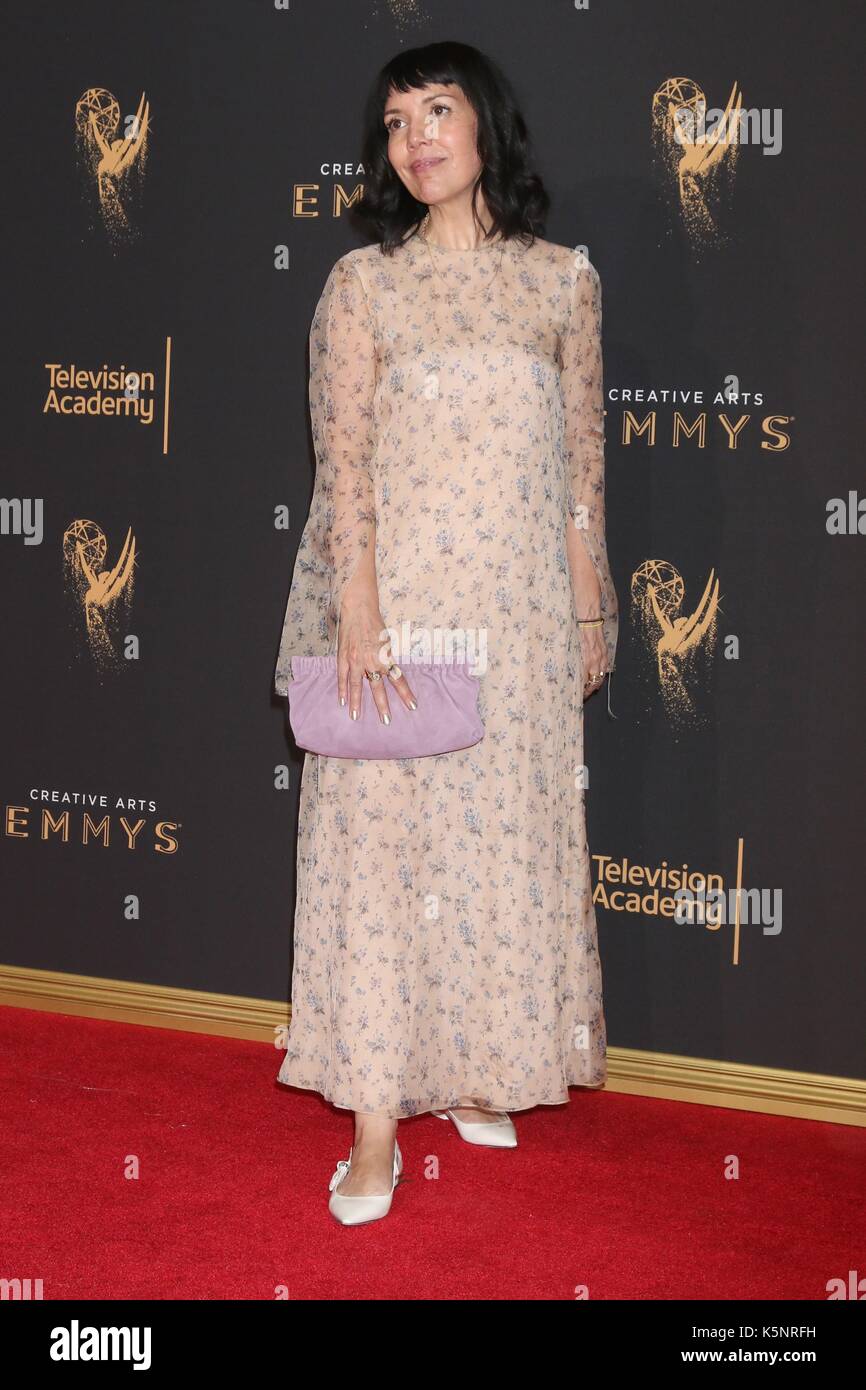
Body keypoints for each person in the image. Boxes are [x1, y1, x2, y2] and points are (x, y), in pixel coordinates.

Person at [274, 40, 618, 1226]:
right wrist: (355, 609)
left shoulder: (561, 282)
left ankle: (480, 1061)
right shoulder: (361, 289)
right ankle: (373, 1127)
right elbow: (346, 469)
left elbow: (581, 463)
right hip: (403, 611)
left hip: (516, 621)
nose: (415, 137)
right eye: (394, 122)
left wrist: (589, 600)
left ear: (485, 127)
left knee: (498, 851)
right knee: (381, 860)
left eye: (436, 109)